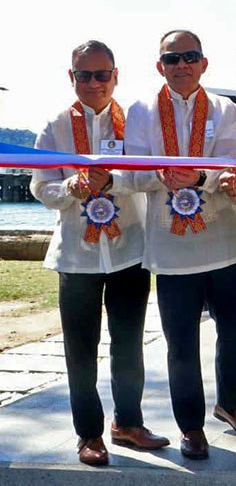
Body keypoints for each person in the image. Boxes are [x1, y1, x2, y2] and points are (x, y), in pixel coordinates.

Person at [30, 40, 169, 466]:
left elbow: (151, 178)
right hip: (78, 255)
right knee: (80, 350)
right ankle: (88, 433)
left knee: (129, 346)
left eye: (101, 74)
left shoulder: (138, 124)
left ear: (116, 75)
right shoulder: (54, 125)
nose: (93, 83)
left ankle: (128, 422)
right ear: (71, 77)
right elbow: (40, 185)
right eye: (84, 75)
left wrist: (116, 182)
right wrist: (68, 189)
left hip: (128, 249)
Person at [124, 30, 236, 459]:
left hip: (225, 242)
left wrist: (199, 177)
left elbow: (225, 168)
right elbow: (130, 175)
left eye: (190, 56)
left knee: (234, 332)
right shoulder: (141, 110)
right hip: (170, 249)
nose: (181, 64)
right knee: (180, 343)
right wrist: (158, 176)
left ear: (204, 63)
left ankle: (231, 404)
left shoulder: (224, 108)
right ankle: (191, 427)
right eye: (172, 58)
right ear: (158, 65)